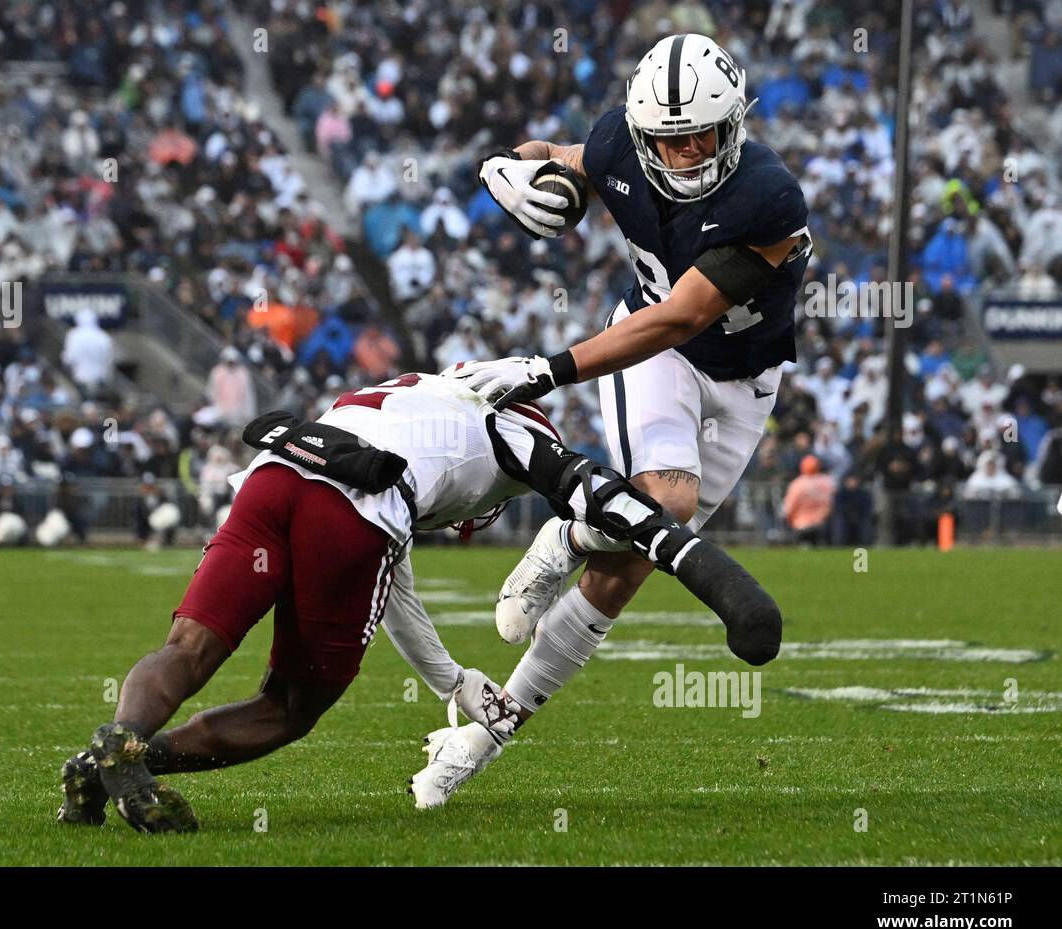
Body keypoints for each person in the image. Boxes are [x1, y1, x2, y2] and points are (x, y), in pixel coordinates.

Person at [56, 372, 780, 831]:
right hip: (352, 508)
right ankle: (137, 760)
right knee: (290, 707)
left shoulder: (418, 393)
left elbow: (392, 571)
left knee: (190, 647)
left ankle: (116, 740)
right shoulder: (517, 433)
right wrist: (696, 565)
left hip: (277, 469)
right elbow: (603, 499)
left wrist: (451, 678)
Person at [429, 33, 810, 801]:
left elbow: (682, 317)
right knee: (661, 508)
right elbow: (563, 156)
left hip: (734, 375)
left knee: (630, 561)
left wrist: (546, 368)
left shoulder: (768, 197)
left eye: (703, 132)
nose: (688, 152)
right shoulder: (617, 141)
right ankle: (566, 544)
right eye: (670, 139)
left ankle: (487, 728)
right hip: (654, 359)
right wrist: (512, 166)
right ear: (642, 135)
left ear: (736, 123)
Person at [782, 454, 835, 545]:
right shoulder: (827, 481)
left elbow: (789, 506)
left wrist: (788, 519)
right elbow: (830, 503)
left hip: (801, 524)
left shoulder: (798, 483)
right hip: (822, 523)